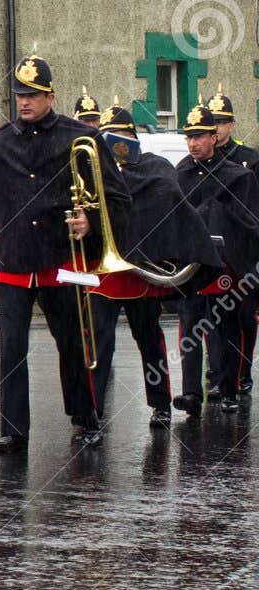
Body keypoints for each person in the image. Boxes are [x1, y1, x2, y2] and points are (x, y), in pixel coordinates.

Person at [0, 55, 128, 454]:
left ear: (51, 96)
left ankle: (85, 418)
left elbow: (116, 196)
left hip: (61, 256)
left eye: (32, 95)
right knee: (11, 348)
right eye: (19, 95)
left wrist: (91, 222)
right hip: (14, 259)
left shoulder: (80, 137)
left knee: (72, 343)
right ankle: (14, 431)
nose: (24, 102)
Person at [91, 105, 220, 428]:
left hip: (140, 271)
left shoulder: (154, 166)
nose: (112, 143)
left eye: (118, 137)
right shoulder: (91, 170)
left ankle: (160, 404)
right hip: (102, 273)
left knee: (149, 341)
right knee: (97, 344)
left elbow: (167, 200)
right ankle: (90, 411)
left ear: (131, 137)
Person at [174, 101, 259, 419]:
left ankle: (230, 389)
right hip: (191, 266)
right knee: (190, 329)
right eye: (189, 137)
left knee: (226, 328)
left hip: (227, 265)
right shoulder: (180, 172)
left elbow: (250, 224)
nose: (193, 143)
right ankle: (191, 393)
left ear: (214, 137)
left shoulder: (237, 176)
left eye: (199, 136)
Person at [205, 84, 258, 398]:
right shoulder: (203, 161)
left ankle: (243, 372)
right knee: (212, 319)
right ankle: (218, 376)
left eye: (222, 122)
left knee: (244, 318)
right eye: (212, 122)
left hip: (245, 252)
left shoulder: (249, 159)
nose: (217, 128)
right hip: (213, 252)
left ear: (232, 125)